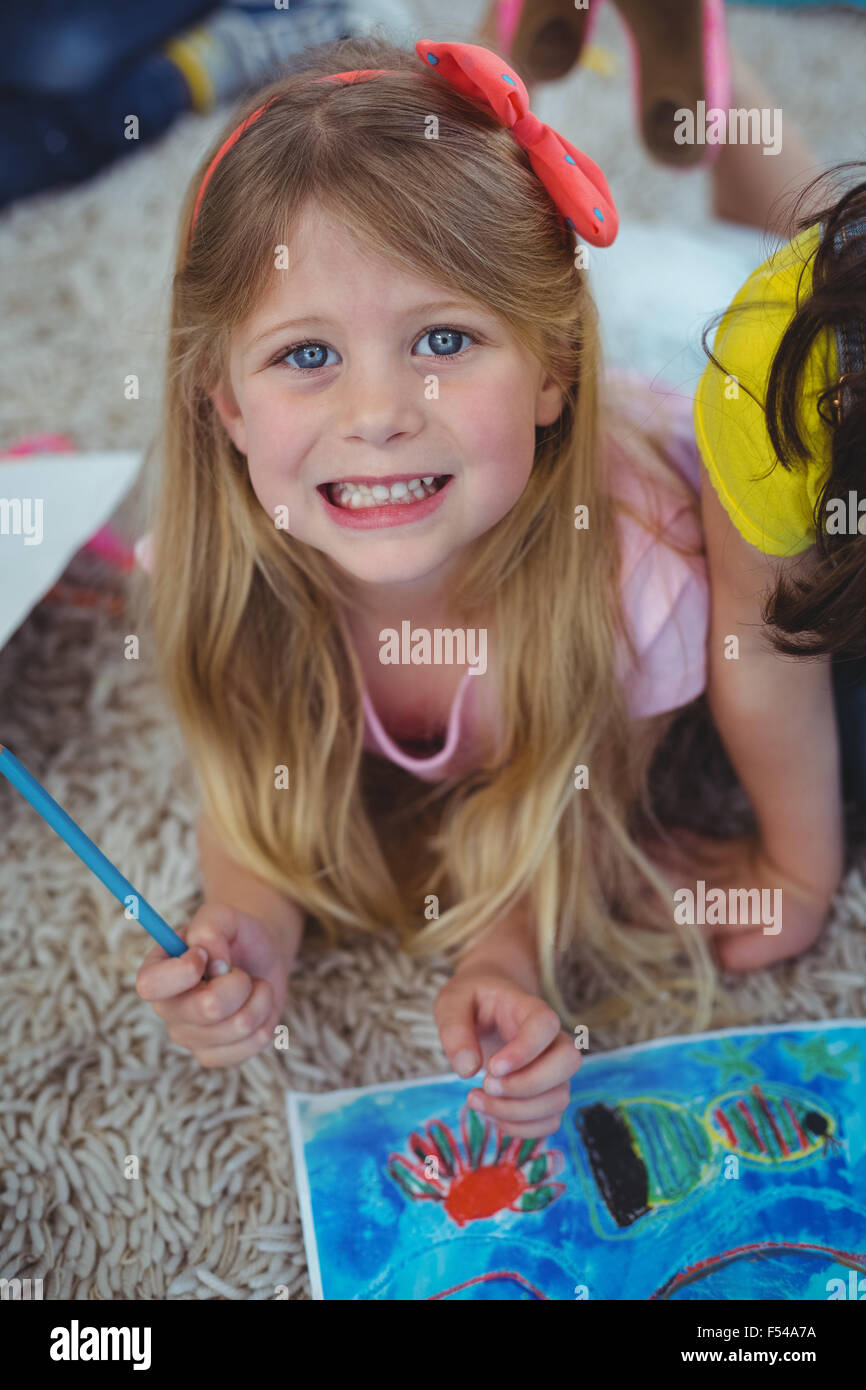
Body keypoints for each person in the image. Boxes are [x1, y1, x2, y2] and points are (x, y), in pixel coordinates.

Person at [130, 34, 814, 1140]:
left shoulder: (639, 578)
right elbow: (257, 776)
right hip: (577, 324)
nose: (378, 413)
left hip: (679, 339)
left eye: (441, 338)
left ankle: (722, 65)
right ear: (223, 400)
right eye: (305, 356)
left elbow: (578, 803)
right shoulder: (233, 568)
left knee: (799, 273)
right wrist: (246, 921)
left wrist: (507, 947)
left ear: (549, 370)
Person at [685, 160, 866, 972]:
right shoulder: (778, 367)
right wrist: (796, 871)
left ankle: (722, 90)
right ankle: (720, 108)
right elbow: (759, 638)